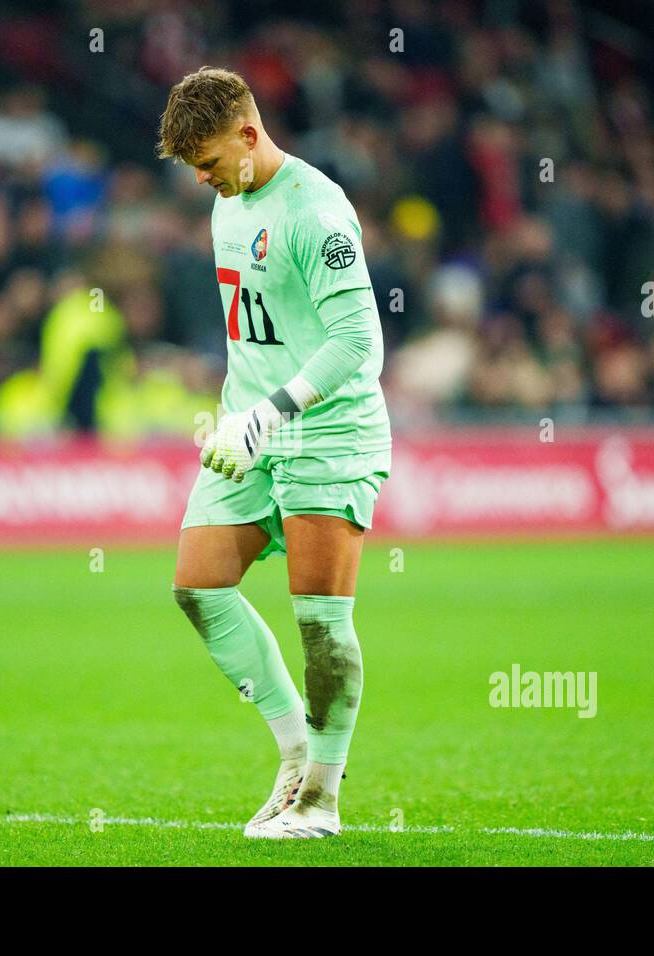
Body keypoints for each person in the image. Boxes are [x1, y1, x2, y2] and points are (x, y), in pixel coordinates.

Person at [157, 67, 392, 839]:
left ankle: (322, 798)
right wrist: (237, 417)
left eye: (211, 161)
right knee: (198, 585)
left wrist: (272, 412)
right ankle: (295, 752)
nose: (202, 177)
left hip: (326, 431)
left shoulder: (317, 213)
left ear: (249, 135)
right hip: (250, 432)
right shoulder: (230, 203)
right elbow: (258, 327)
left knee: (320, 623)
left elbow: (360, 340)